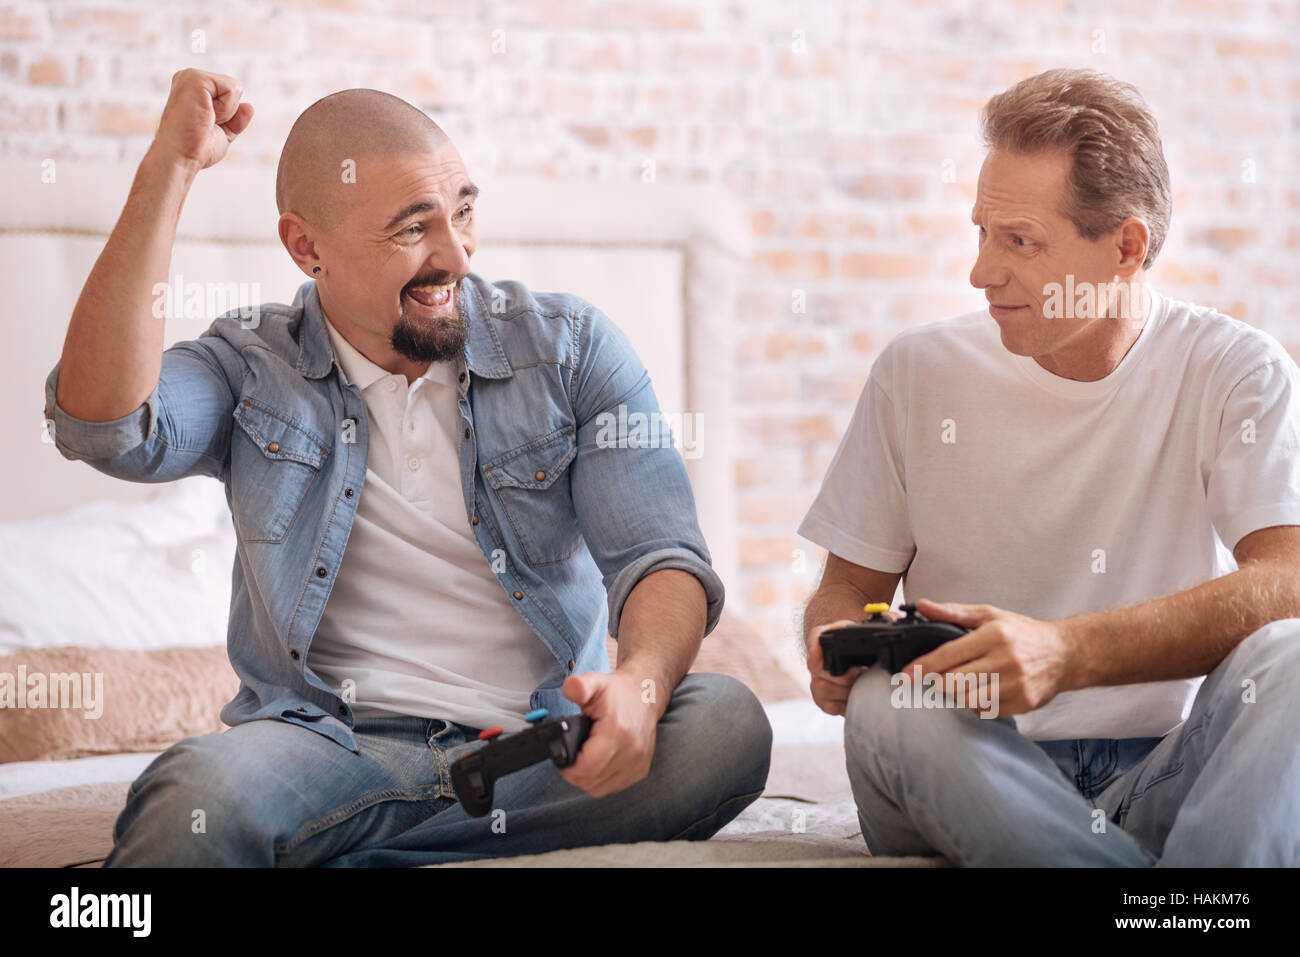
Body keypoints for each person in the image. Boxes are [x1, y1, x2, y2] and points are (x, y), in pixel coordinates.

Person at [44, 69, 770, 866]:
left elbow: (657, 556)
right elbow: (103, 425)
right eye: (412, 229)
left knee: (723, 722)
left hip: (532, 751)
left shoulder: (569, 349)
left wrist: (636, 688)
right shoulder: (252, 364)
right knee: (195, 793)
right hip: (327, 751)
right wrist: (167, 170)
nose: (455, 254)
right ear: (306, 246)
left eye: (463, 212)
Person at [799, 68, 1300, 866]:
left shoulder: (1236, 369)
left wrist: (1066, 652)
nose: (980, 272)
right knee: (893, 702)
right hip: (961, 760)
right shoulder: (918, 372)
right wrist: (832, 642)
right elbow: (844, 587)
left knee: (1293, 658)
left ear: (1126, 247)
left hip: (1160, 770)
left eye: (1021, 241)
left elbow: (1289, 579)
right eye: (980, 232)